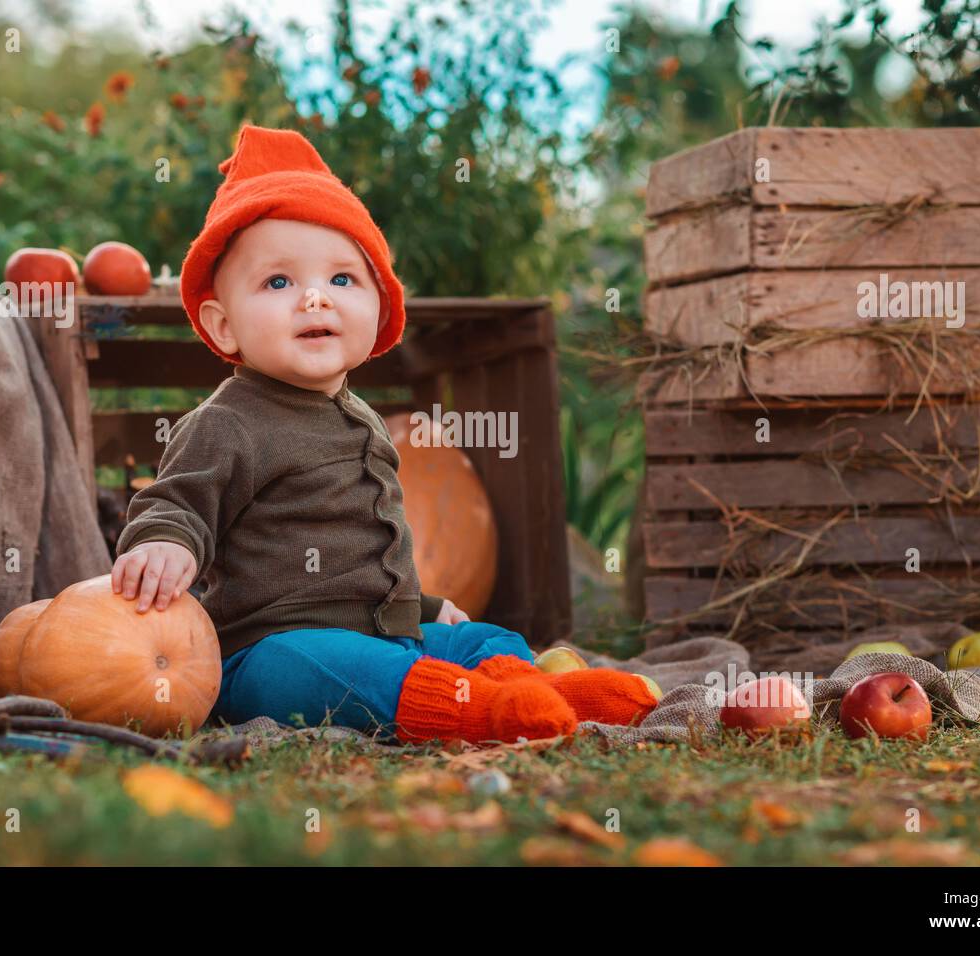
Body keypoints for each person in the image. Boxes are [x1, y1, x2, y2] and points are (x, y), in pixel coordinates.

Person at [112, 125, 657, 745]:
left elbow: (368, 562)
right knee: (314, 668)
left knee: (484, 636)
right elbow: (174, 502)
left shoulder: (363, 419)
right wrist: (165, 544)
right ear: (224, 325)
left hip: (383, 634)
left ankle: (541, 689)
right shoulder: (227, 422)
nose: (315, 299)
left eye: (342, 280)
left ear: (379, 308)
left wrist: (420, 609)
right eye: (279, 282)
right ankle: (475, 710)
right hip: (269, 646)